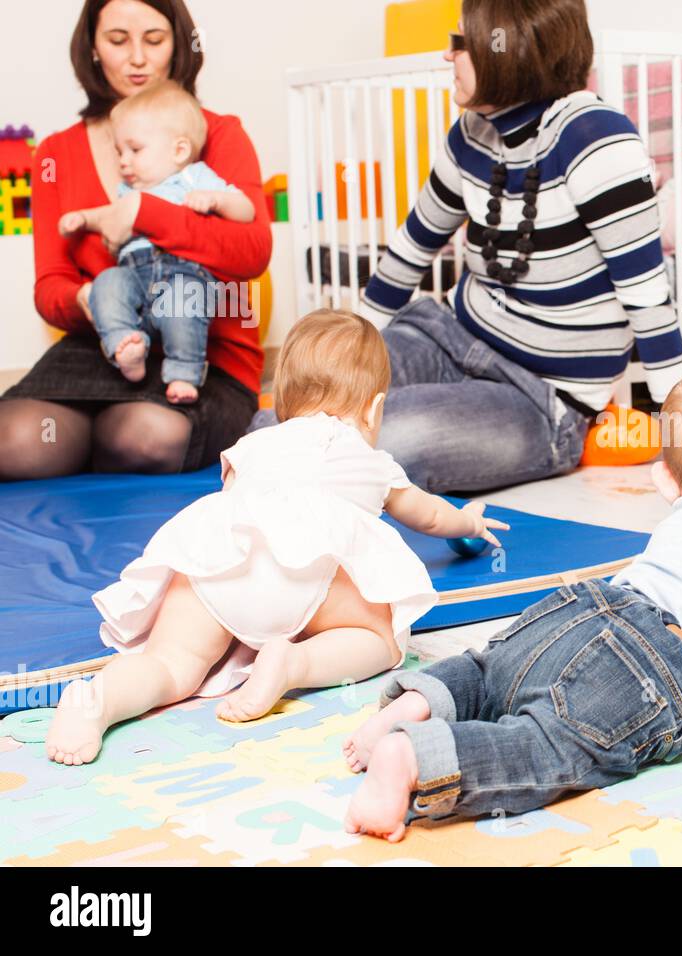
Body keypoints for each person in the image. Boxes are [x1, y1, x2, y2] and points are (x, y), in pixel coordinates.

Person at [340, 366, 682, 840]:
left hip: (585, 603)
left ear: (667, 483)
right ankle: (413, 759)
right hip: (652, 665)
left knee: (492, 673)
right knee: (545, 747)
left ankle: (411, 705)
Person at [250, 0, 682, 494]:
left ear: (511, 50)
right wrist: (350, 354)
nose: (445, 55)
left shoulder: (595, 138)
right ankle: (265, 499)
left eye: (460, 43)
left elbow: (647, 294)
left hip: (538, 397)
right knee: (295, 413)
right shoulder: (469, 136)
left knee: (369, 442)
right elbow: (411, 248)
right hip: (446, 337)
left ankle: (274, 492)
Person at [45, 310, 508, 766]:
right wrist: (468, 521)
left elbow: (237, 510)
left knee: (170, 664)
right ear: (374, 409)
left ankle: (97, 702)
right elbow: (428, 516)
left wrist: (249, 611)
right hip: (306, 585)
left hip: (218, 566)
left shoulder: (253, 444)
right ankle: (293, 665)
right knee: (381, 638)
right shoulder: (372, 461)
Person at [0, 0, 270, 478]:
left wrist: (143, 212)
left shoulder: (219, 134)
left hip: (203, 355)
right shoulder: (56, 154)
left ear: (179, 44)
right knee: (19, 439)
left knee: (143, 434)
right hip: (105, 345)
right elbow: (50, 286)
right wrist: (89, 300)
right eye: (118, 40)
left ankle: (90, 437)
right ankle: (81, 434)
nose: (138, 58)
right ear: (93, 49)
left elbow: (252, 253)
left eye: (155, 39)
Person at [60, 80, 255, 405]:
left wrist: (216, 200)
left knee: (184, 304)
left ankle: (184, 372)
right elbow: (109, 216)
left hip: (182, 273)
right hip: (134, 274)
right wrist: (83, 218)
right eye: (119, 152)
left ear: (179, 150)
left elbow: (246, 210)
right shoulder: (128, 191)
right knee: (106, 283)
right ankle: (126, 345)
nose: (123, 161)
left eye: (134, 150)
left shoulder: (195, 176)